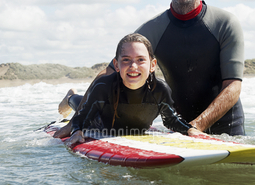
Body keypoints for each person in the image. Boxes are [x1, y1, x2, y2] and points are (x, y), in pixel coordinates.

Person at [57, 0, 245, 137]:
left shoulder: (225, 24)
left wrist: (195, 126)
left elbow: (233, 86)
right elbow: (109, 74)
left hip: (226, 131)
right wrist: (76, 122)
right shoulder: (154, 29)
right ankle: (73, 98)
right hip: (180, 129)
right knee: (104, 106)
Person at [67, 33, 201, 145]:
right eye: (126, 60)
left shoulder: (160, 90)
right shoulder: (103, 86)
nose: (133, 66)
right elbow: (82, 118)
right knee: (80, 103)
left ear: (152, 65)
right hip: (98, 123)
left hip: (131, 128)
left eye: (140, 60)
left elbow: (171, 120)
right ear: (116, 65)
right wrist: (76, 131)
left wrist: (190, 130)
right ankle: (70, 97)